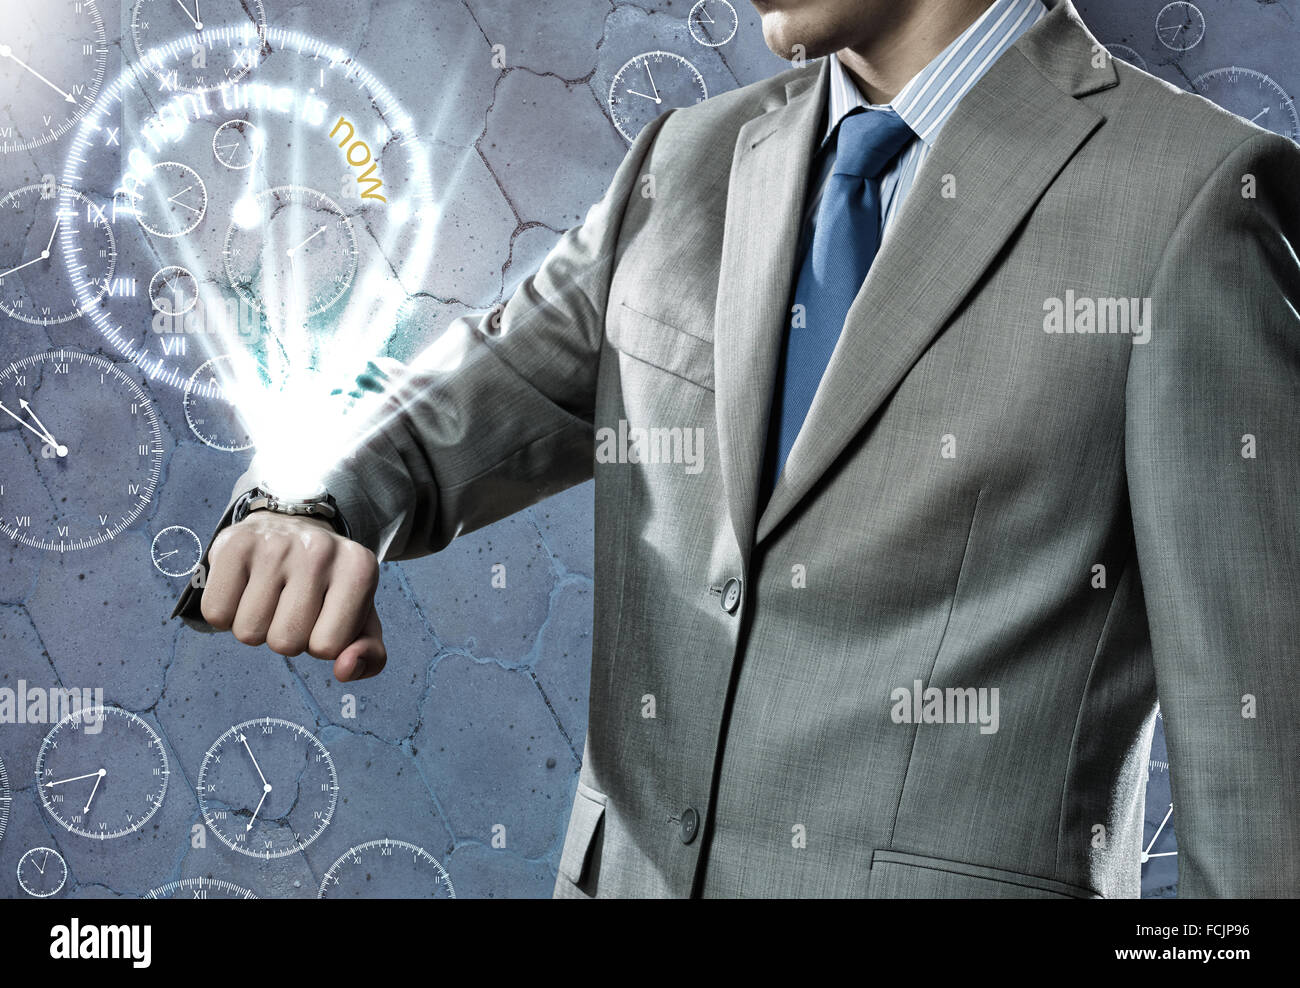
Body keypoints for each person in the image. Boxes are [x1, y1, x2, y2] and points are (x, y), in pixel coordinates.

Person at [175, 0, 1300, 898]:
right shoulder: (685, 161)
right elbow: (433, 407)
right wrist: (302, 503)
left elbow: (1264, 795)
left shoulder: (1193, 201)